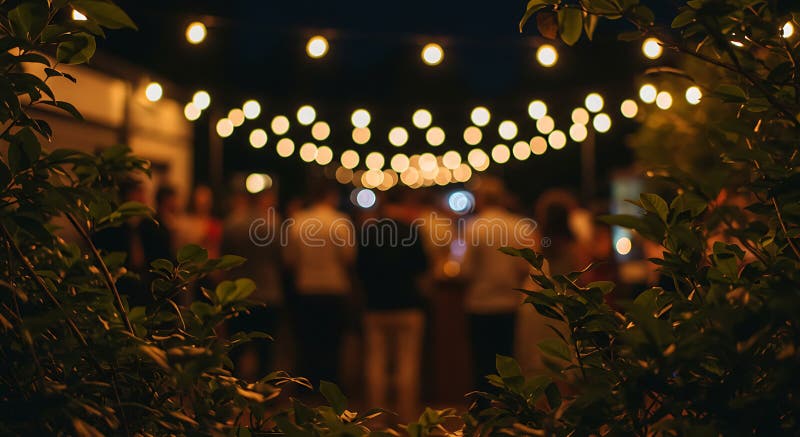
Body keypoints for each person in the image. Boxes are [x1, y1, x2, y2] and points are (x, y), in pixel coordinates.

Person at [357, 189, 428, 422]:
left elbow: (359, 268)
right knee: (407, 363)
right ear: (405, 203)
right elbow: (423, 267)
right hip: (408, 304)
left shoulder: (369, 231)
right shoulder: (411, 231)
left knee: (375, 362)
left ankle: (376, 416)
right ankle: (405, 415)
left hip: (375, 304)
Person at [462, 178, 532, 390]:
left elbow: (465, 270)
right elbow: (526, 267)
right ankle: (508, 413)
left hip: (479, 303)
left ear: (480, 198)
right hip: (509, 303)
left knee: (481, 363)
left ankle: (483, 416)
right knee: (508, 362)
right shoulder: (518, 225)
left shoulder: (474, 227)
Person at [284, 184, 355, 385]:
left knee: (307, 341)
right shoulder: (340, 222)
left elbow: (290, 259)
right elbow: (348, 257)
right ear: (331, 196)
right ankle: (330, 385)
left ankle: (307, 385)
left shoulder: (298, 221)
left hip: (306, 287)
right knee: (332, 343)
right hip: (334, 287)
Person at [222, 190, 284, 381]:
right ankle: (263, 393)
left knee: (236, 348)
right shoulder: (274, 224)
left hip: (238, 293)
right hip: (268, 294)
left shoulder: (233, 222)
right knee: (265, 350)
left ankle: (229, 389)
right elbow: (281, 258)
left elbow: (225, 254)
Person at [93, 179, 172, 307]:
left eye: (142, 194)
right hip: (120, 290)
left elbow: (165, 259)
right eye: (137, 193)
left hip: (148, 291)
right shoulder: (111, 228)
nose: (142, 198)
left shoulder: (155, 228)